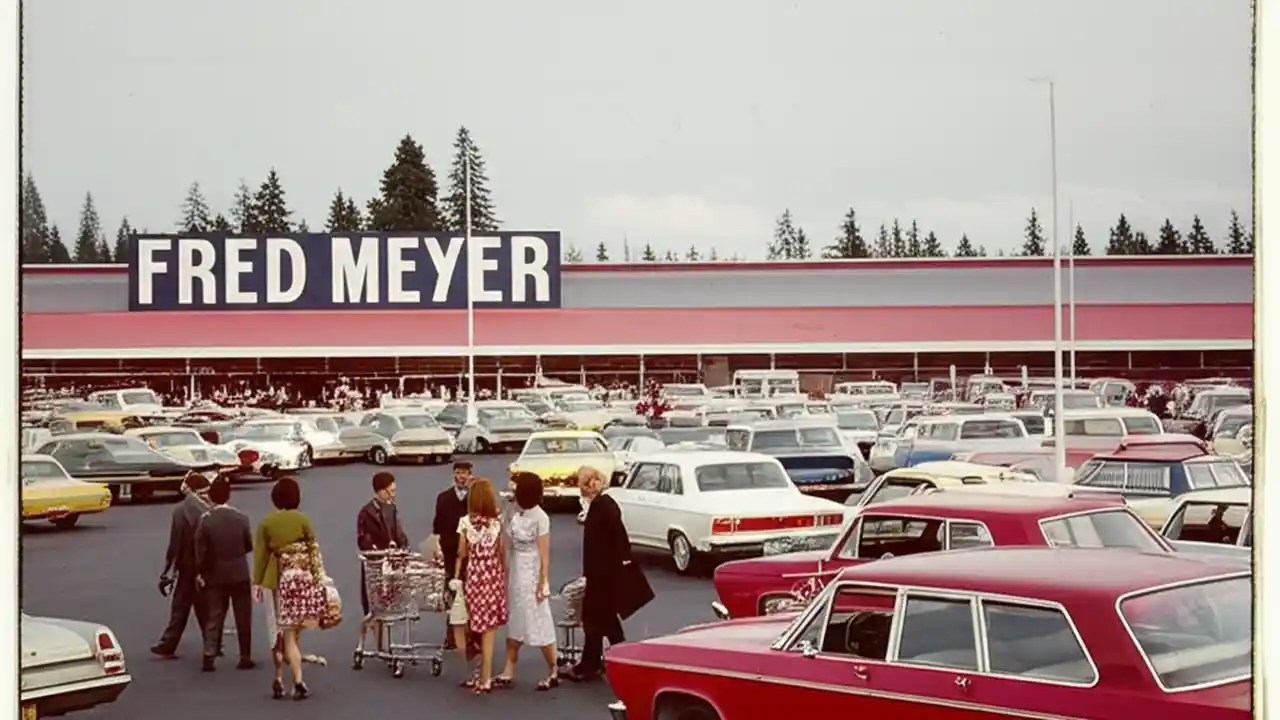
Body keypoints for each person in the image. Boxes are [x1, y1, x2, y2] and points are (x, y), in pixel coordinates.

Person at [562, 465, 647, 683]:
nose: (589, 487)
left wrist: (621, 563)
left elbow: (618, 537)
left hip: (604, 575)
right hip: (600, 573)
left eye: (591, 482)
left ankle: (603, 662)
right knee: (600, 621)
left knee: (599, 620)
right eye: (586, 483)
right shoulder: (600, 505)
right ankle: (596, 662)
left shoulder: (604, 506)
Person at [252, 476, 324, 701]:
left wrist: (257, 581)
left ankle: (278, 676)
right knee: (293, 631)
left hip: (275, 579)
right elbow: (314, 551)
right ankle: (297, 678)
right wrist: (319, 579)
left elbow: (260, 556)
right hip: (301, 579)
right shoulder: (303, 520)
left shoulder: (266, 523)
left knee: (276, 631)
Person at [495, 473, 558, 691]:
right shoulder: (514, 512)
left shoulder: (541, 517)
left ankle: (554, 667)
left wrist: (543, 581)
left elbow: (544, 553)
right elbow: (506, 544)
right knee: (516, 619)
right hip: (515, 571)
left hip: (532, 571)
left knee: (538, 619)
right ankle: (509, 668)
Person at [194, 476, 255, 672]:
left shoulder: (206, 521)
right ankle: (245, 655)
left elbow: (201, 551)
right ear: (228, 495)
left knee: (215, 615)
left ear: (211, 497)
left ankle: (209, 653)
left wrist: (201, 572)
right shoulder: (241, 518)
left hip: (216, 573)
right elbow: (248, 545)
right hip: (239, 572)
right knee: (243, 615)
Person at [151, 472, 214, 660]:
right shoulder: (211, 509)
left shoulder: (181, 510)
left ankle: (169, 644)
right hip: (205, 565)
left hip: (187, 564)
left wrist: (167, 571)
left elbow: (175, 543)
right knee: (203, 608)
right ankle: (211, 644)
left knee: (180, 607)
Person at [456, 478, 509, 694]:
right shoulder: (497, 523)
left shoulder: (465, 523)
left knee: (473, 624)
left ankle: (476, 673)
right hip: (493, 577)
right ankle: (486, 677)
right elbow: (502, 552)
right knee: (490, 629)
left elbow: (462, 552)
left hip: (475, 578)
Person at [354, 471, 409, 663]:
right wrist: (378, 551)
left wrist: (402, 547)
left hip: (392, 564)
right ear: (381, 491)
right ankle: (380, 646)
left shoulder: (392, 508)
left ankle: (386, 645)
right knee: (376, 605)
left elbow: (399, 533)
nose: (393, 494)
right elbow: (363, 540)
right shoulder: (366, 513)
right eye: (391, 491)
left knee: (389, 603)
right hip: (376, 564)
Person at [431, 461, 473, 649]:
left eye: (465, 473)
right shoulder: (443, 498)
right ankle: (452, 636)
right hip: (449, 553)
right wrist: (437, 547)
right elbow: (437, 526)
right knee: (451, 593)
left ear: (470, 475)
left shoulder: (475, 498)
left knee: (471, 593)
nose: (461, 476)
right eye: (458, 472)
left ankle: (470, 634)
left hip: (471, 554)